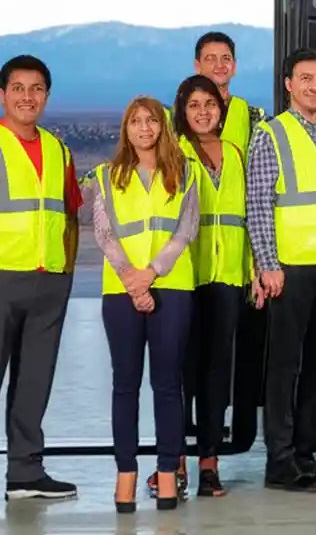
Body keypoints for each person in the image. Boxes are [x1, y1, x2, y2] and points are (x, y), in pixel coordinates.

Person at [0, 55, 82, 512]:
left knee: (34, 383)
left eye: (38, 88)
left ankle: (25, 473)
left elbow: (69, 215)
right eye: (19, 88)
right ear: (3, 94)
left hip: (48, 285)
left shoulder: (59, 150)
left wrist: (66, 272)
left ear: (47, 95)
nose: (29, 96)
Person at [247, 49, 316, 492]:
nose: (314, 87)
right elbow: (257, 204)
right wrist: (267, 265)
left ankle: (307, 451)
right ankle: (281, 461)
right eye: (305, 79)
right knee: (285, 366)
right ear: (288, 84)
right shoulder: (271, 135)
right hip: (289, 268)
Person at [146, 75, 253, 499]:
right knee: (179, 372)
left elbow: (247, 216)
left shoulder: (236, 153)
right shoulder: (171, 156)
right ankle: (175, 464)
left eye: (210, 104)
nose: (204, 111)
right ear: (182, 111)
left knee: (215, 374)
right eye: (194, 105)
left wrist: (251, 271)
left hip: (227, 277)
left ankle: (209, 464)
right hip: (182, 279)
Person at [93, 96, 199, 512]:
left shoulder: (184, 173)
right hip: (121, 289)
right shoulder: (105, 176)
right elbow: (104, 234)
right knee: (125, 384)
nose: (143, 128)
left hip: (172, 285)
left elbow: (185, 230)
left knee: (168, 385)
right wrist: (133, 282)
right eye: (135, 121)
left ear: (163, 127)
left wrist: (150, 274)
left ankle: (168, 472)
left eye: (151, 121)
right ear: (126, 128)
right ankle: (126, 474)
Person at [191, 31, 267, 157]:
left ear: (234, 66)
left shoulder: (253, 117)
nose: (219, 65)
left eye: (226, 58)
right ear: (197, 66)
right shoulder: (180, 117)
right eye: (211, 59)